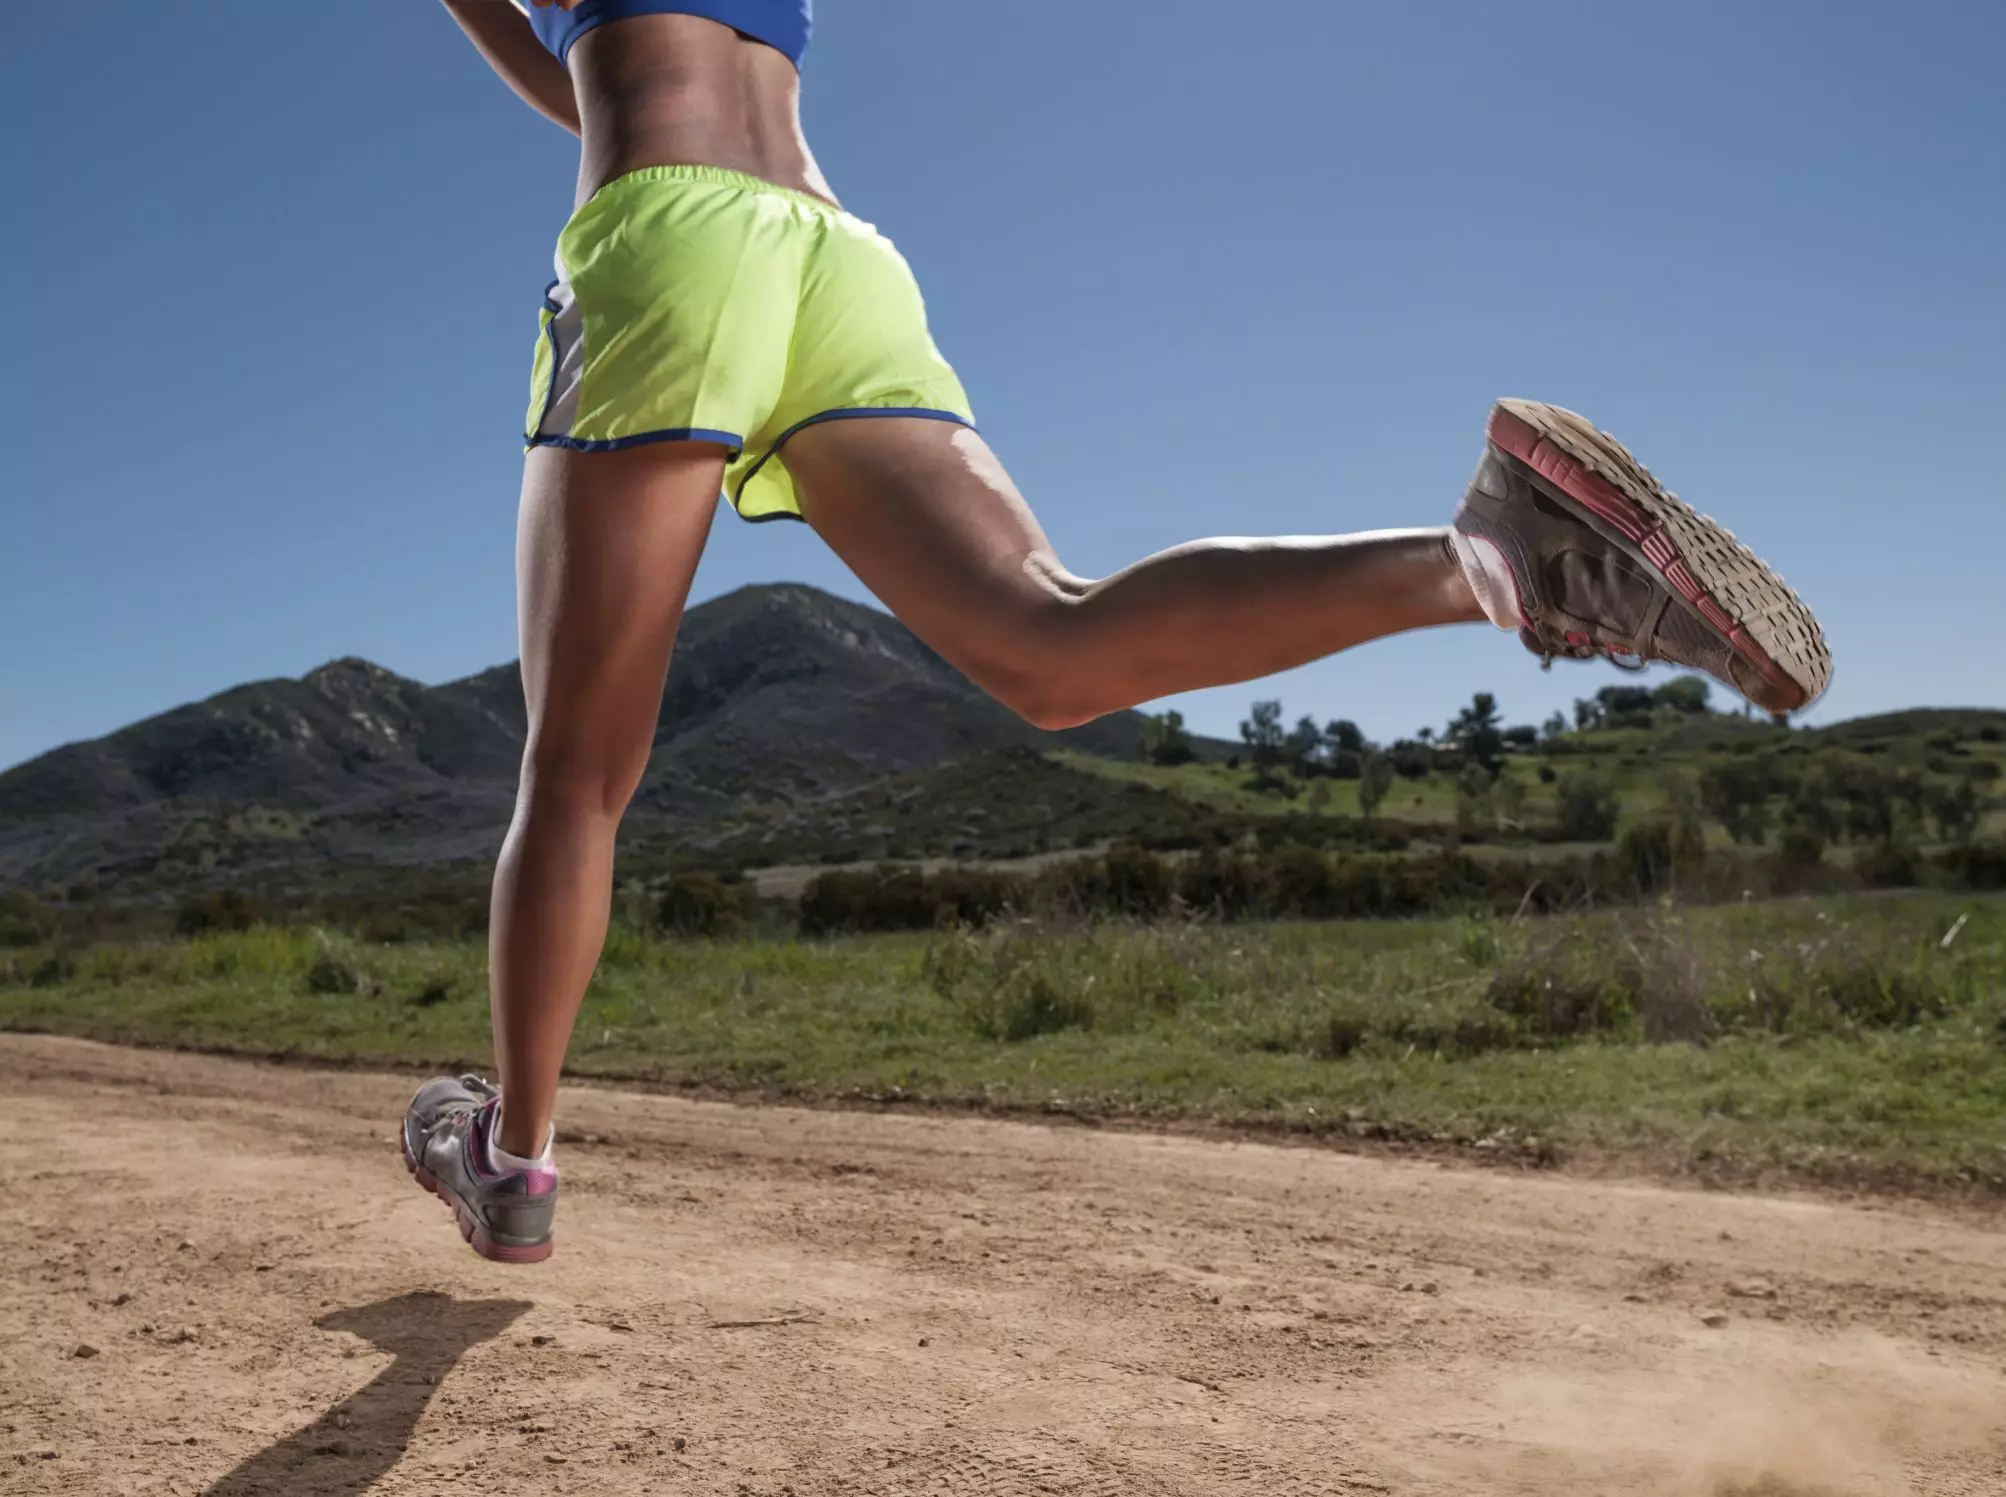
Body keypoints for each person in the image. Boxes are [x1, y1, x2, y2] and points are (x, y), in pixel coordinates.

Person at [403, 0, 1831, 1263]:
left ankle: (513, 1158)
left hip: (670, 235)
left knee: (578, 769)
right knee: (1052, 643)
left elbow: (588, 83)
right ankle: (1495, 559)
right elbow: (604, 68)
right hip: (838, 259)